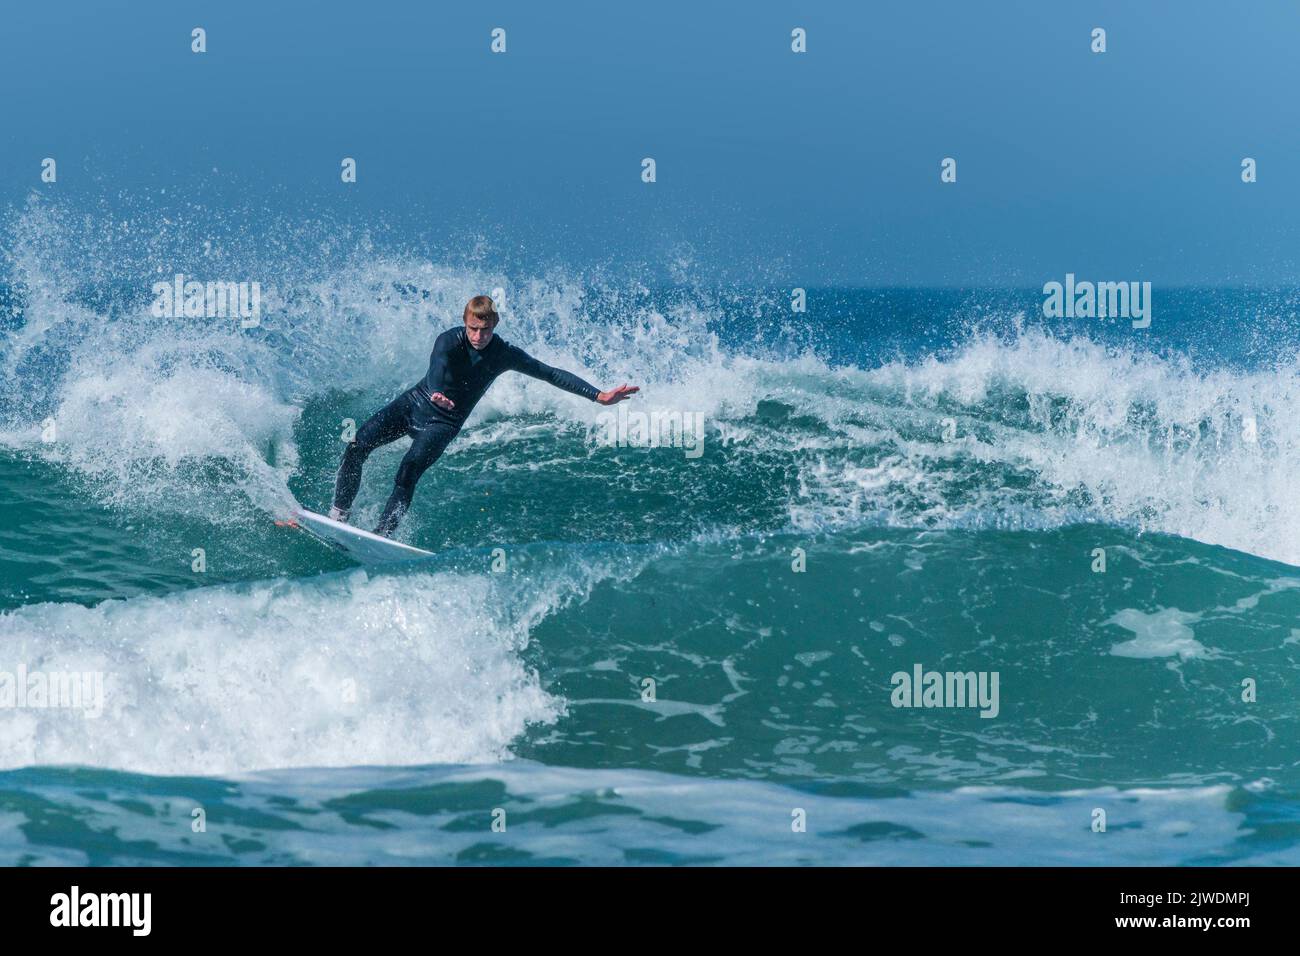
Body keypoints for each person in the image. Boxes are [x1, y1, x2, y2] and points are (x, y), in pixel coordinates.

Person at [330, 295, 638, 536]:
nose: (478, 335)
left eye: (485, 329)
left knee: (408, 470)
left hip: (443, 423)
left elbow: (549, 373)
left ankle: (382, 534)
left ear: (495, 324)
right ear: (465, 322)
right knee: (357, 445)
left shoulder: (504, 354)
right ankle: (338, 515)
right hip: (415, 402)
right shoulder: (449, 339)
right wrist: (437, 391)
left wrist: (598, 395)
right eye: (473, 328)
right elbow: (438, 364)